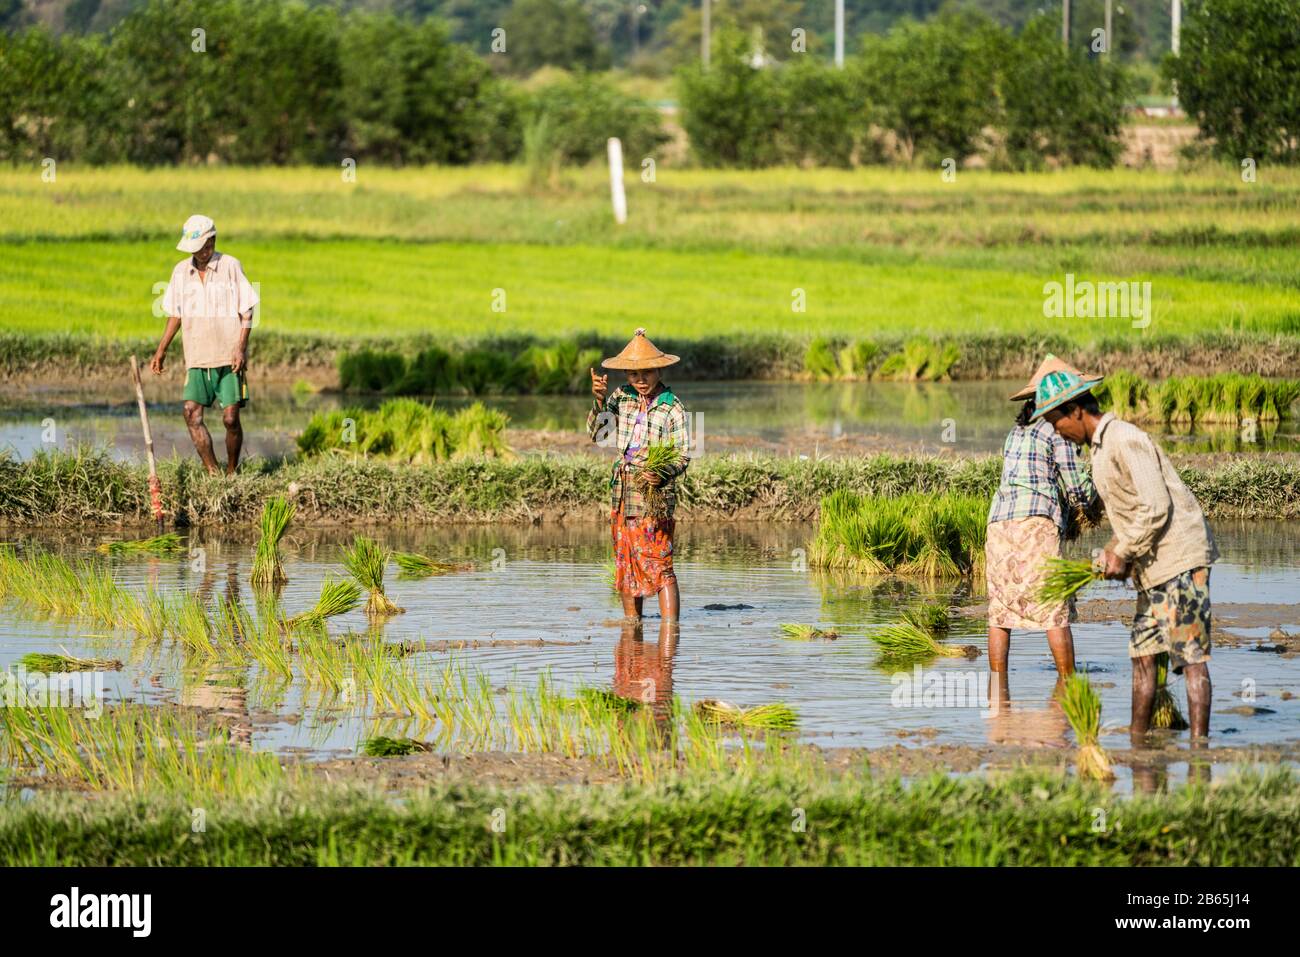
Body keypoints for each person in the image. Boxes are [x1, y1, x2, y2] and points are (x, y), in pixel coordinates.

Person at [1036, 368, 1218, 742]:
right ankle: (1138, 744)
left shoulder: (1124, 438)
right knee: (1142, 656)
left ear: (1075, 411)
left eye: (1056, 422)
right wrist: (1118, 558)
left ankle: (1201, 752)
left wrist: (1121, 550)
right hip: (1152, 568)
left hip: (1179, 558)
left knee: (1191, 659)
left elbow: (1155, 507)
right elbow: (1135, 514)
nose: (1056, 432)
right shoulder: (1100, 450)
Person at [985, 355, 1102, 693]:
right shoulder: (1057, 426)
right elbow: (1077, 485)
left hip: (998, 525)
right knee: (1054, 607)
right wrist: (1089, 506)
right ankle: (1068, 687)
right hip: (1035, 524)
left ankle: (998, 692)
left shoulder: (1017, 430)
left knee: (1000, 611)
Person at [588, 329, 691, 621]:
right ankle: (633, 628)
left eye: (646, 373)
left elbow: (683, 454)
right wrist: (599, 401)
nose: (640, 380)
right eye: (633, 374)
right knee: (626, 558)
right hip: (623, 492)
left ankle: (671, 634)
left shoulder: (673, 407)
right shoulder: (621, 398)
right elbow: (600, 435)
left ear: (659, 369)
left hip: (654, 493)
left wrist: (662, 473)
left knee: (660, 562)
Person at [150, 214, 259, 475]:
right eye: (195, 249)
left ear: (212, 241)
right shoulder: (181, 272)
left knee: (231, 419)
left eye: (203, 247)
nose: (199, 253)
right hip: (197, 355)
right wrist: (161, 350)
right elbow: (175, 314)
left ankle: (232, 472)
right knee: (191, 413)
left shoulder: (230, 266)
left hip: (228, 356)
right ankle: (213, 471)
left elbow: (247, 312)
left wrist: (240, 348)